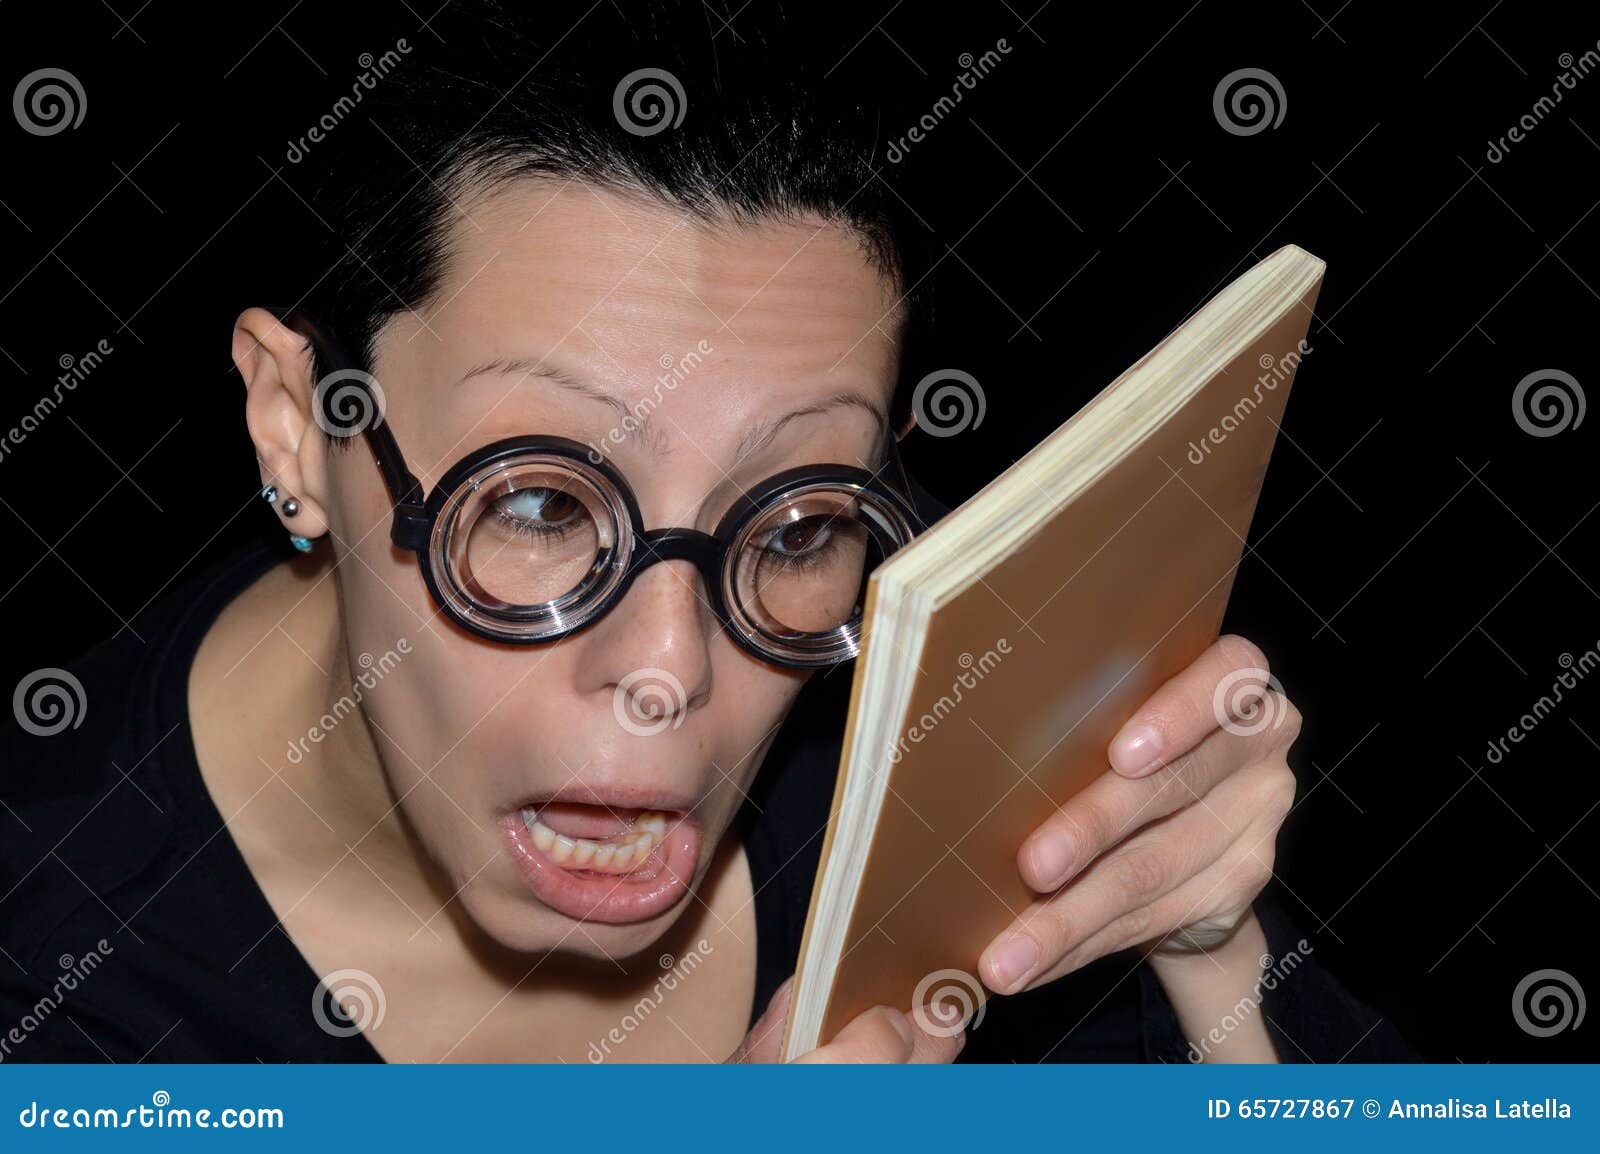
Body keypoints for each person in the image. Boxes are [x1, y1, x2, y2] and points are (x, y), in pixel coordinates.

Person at [0, 1, 1411, 1064]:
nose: (673, 669)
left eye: (792, 526)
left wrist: (1215, 970)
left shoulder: (938, 724)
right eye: (543, 507)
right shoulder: (54, 983)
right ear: (295, 426)